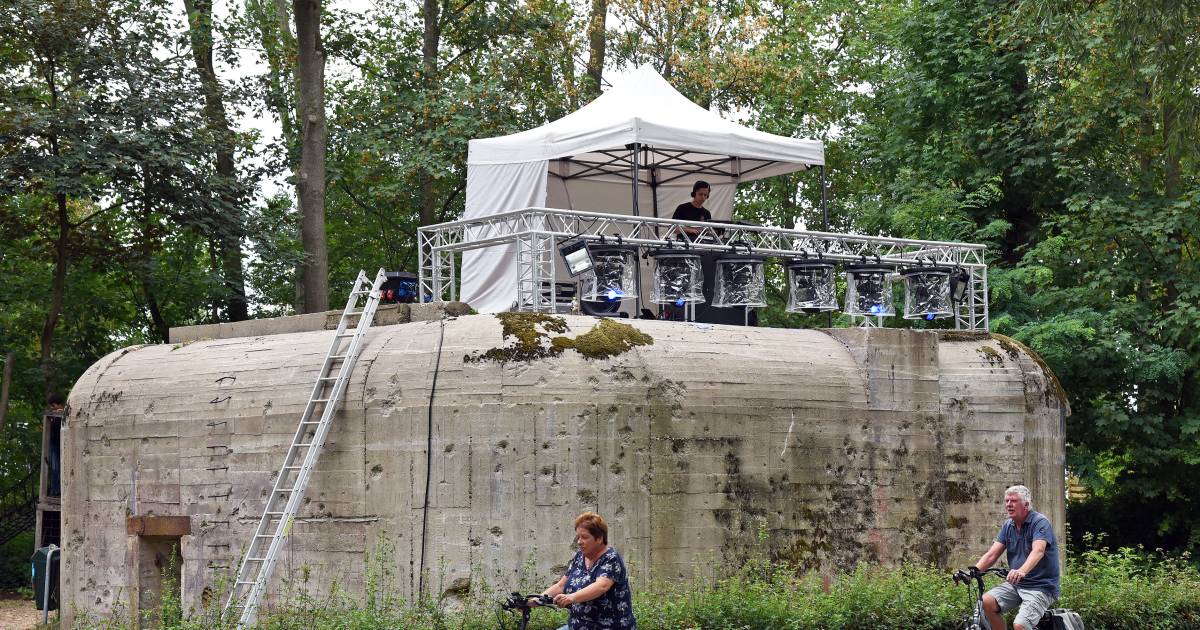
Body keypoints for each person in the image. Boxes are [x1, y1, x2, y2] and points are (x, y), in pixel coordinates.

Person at [970, 484, 1061, 630]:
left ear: (1026, 505)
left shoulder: (1039, 522)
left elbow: (1038, 550)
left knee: (1020, 625)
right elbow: (992, 554)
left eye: (1013, 501)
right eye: (1007, 501)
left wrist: (1021, 571)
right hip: (1017, 584)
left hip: (1041, 586)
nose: (1008, 504)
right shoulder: (1008, 526)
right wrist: (972, 572)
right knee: (986, 601)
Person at [532, 511, 636, 630]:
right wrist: (535, 601)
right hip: (577, 625)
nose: (579, 542)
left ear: (599, 538)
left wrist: (571, 597)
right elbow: (561, 586)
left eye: (585, 537)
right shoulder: (579, 557)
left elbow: (601, 586)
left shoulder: (611, 558)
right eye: (578, 537)